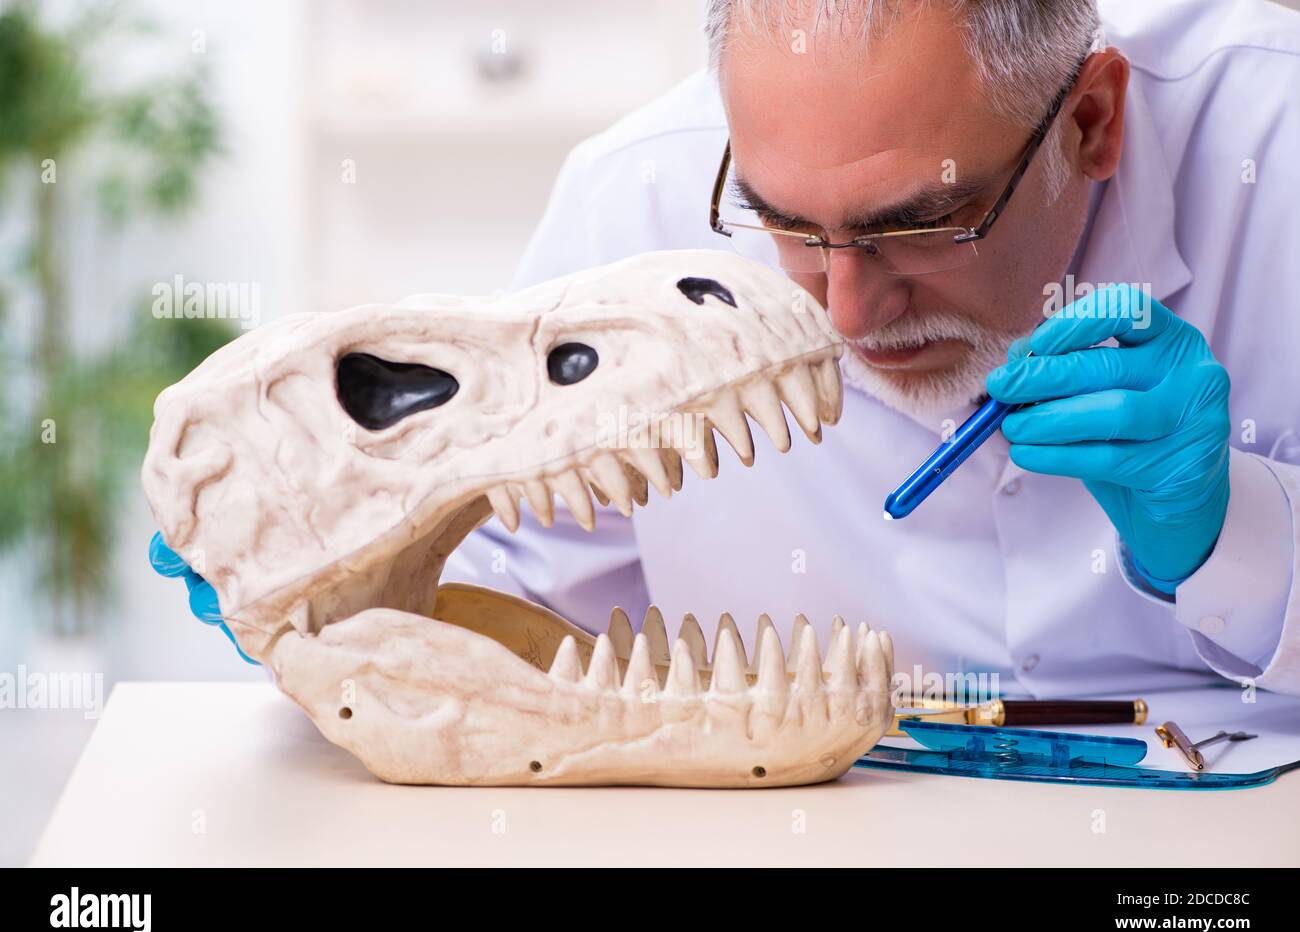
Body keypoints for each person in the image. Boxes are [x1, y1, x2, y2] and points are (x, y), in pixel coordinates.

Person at [447, 0, 1300, 698]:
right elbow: (485, 613)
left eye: (922, 224)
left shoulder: (1277, 149)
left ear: (1091, 120)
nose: (850, 316)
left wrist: (1233, 534)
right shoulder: (628, 207)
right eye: (784, 223)